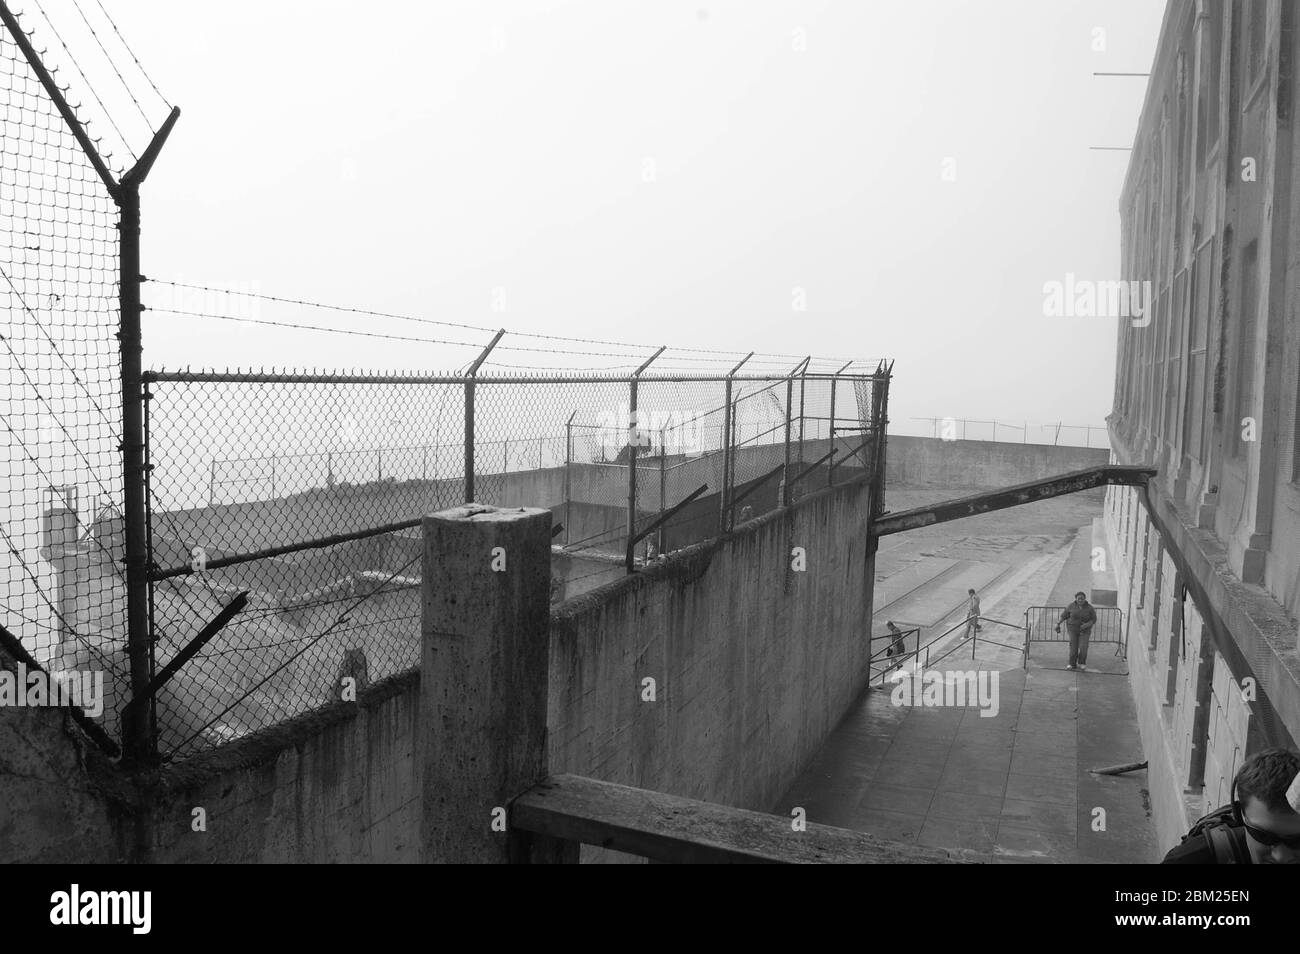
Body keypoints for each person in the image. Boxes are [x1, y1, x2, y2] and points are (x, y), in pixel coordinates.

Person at [1162, 748, 1300, 864]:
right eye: (1264, 837)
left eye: (1296, 840)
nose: (1281, 856)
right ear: (1241, 817)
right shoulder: (1189, 859)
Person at [1055, 591, 1096, 671]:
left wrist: (1087, 625)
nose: (1080, 600)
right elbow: (1064, 616)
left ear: (1085, 599)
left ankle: (1082, 662)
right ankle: (1072, 663)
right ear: (1076, 599)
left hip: (1085, 630)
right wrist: (1058, 624)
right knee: (1073, 647)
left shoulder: (1090, 608)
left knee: (1083, 647)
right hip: (1072, 629)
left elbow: (1094, 619)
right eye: (1079, 599)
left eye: (1082, 599)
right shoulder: (1071, 606)